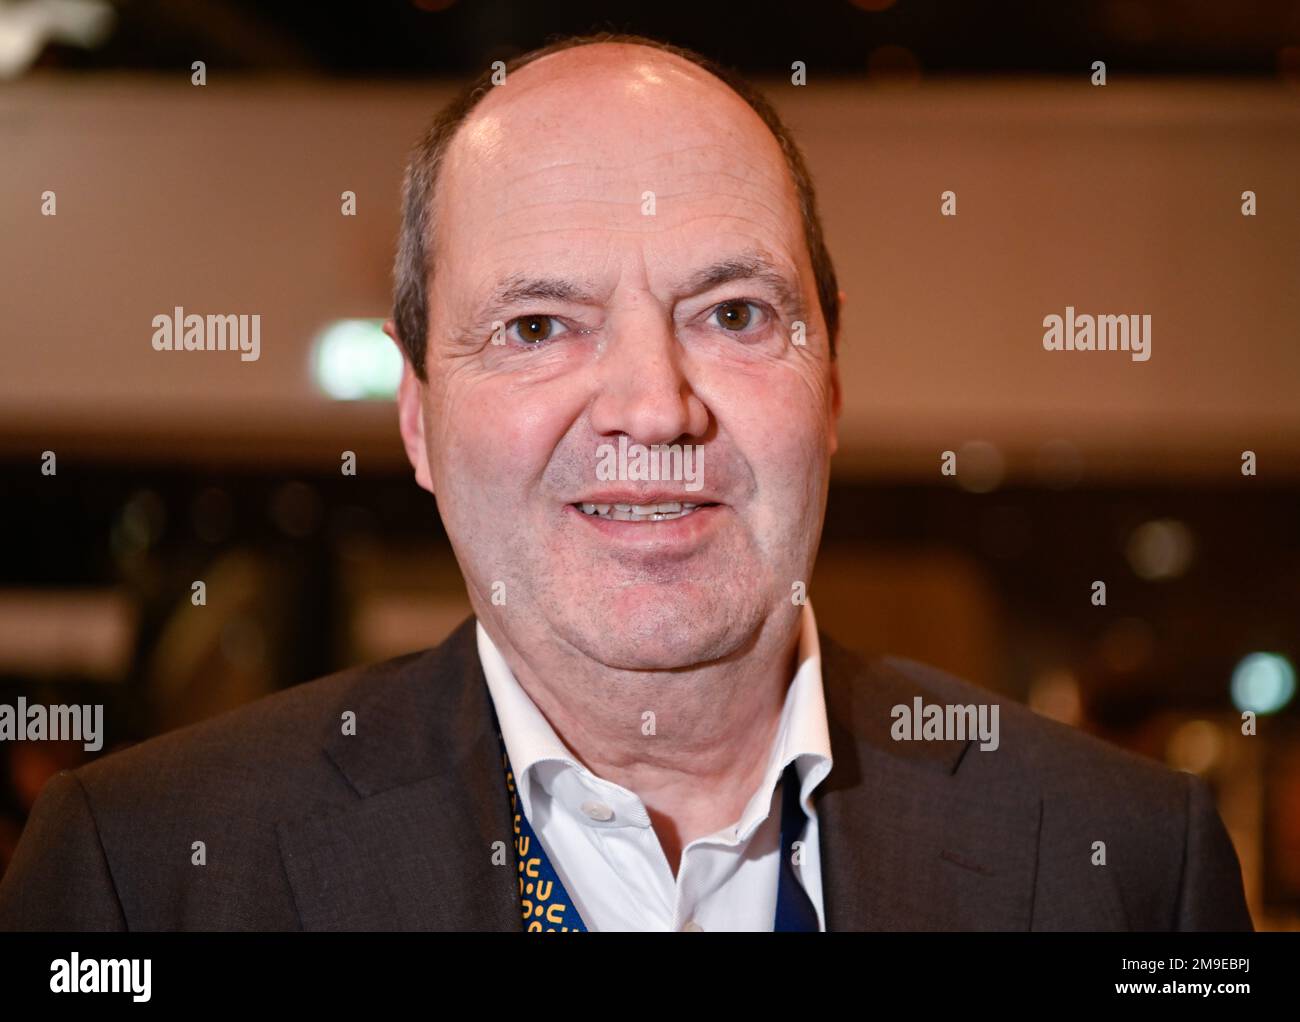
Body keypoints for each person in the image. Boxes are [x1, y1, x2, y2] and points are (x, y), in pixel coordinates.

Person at [0, 32, 1251, 931]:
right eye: (540, 326)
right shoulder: (149, 874)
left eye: (733, 311)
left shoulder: (1127, 863)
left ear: (828, 378)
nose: (655, 405)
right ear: (420, 419)